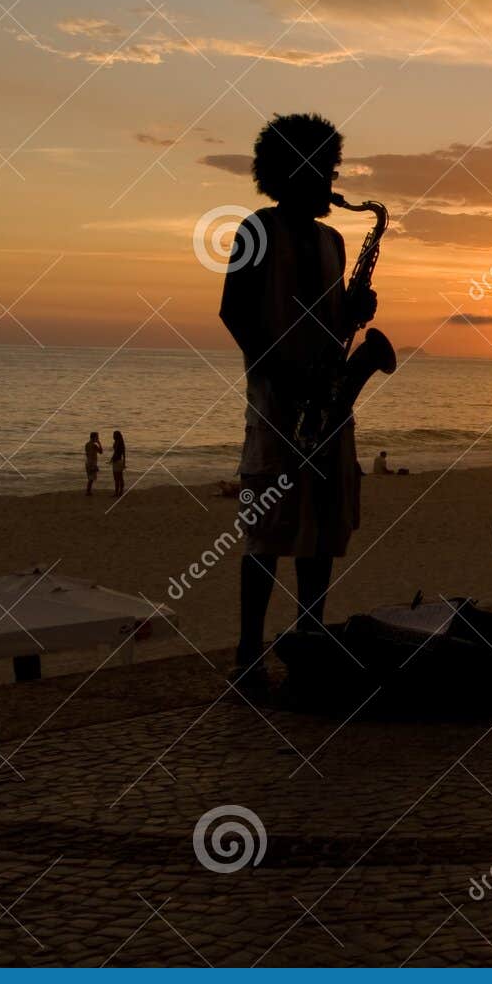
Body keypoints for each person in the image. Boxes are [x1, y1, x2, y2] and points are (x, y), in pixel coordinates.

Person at [218, 112, 376, 691]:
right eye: (324, 170)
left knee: (322, 530)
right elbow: (234, 311)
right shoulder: (255, 229)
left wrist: (355, 312)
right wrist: (280, 375)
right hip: (278, 406)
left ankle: (308, 643)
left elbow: (332, 322)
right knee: (269, 532)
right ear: (292, 173)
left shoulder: (334, 240)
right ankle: (248, 657)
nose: (332, 181)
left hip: (328, 405)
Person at [84, 432, 101, 496]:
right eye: (97, 437)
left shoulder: (87, 444)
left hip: (87, 461)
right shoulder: (94, 445)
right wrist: (99, 443)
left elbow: (87, 454)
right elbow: (101, 451)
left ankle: (88, 491)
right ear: (94, 437)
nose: (98, 438)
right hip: (92, 462)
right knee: (91, 478)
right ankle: (88, 491)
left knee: (90, 478)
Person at [110, 430, 126, 497]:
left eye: (114, 435)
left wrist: (111, 459)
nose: (113, 436)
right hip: (120, 461)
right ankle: (121, 491)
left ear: (116, 436)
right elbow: (124, 454)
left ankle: (116, 493)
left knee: (116, 479)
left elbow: (115, 452)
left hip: (116, 461)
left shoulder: (117, 442)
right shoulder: (122, 442)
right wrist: (124, 462)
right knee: (120, 477)